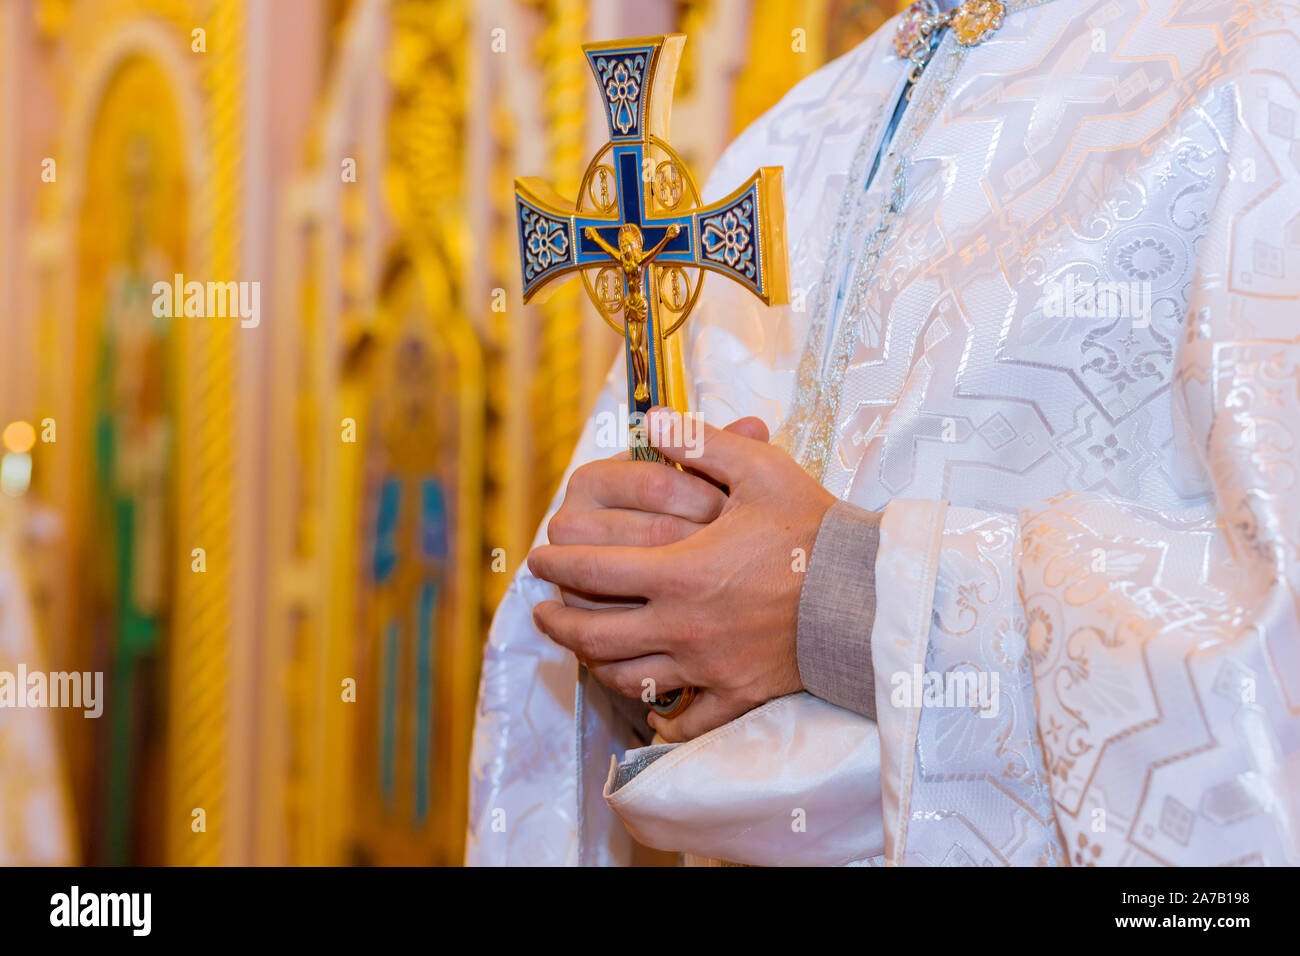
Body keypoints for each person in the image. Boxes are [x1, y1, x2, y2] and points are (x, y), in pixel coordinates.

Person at [468, 0, 1300, 866]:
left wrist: (841, 600)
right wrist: (639, 603)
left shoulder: (1259, 69)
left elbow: (1269, 681)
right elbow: (623, 700)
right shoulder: (789, 135)